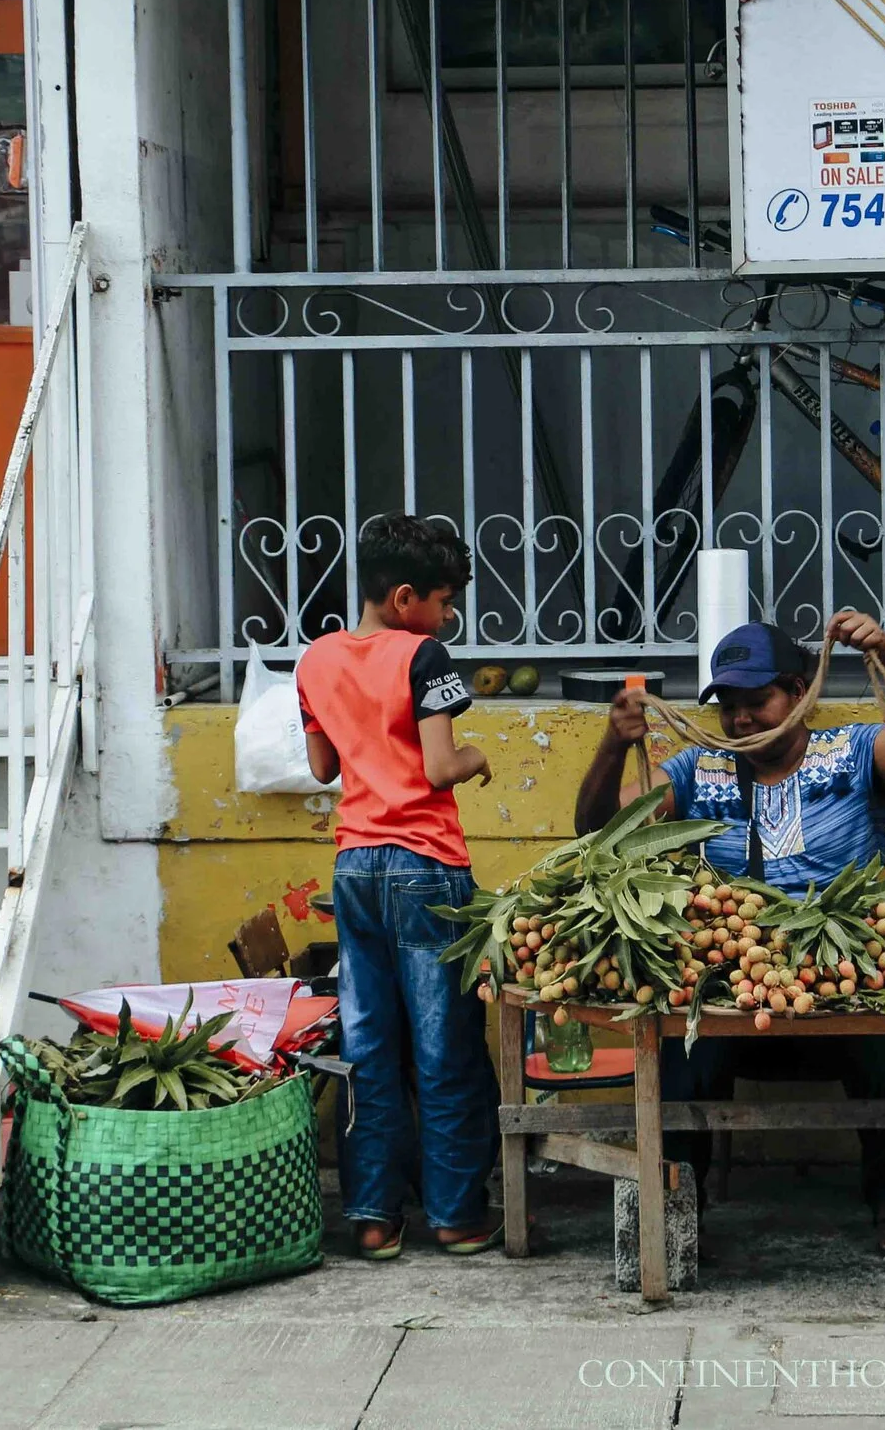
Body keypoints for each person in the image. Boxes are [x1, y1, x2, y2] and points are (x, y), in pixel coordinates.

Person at [572, 611, 885, 1254]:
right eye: (729, 707)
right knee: (680, 1045)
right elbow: (599, 829)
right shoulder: (694, 771)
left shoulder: (854, 754)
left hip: (844, 989)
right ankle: (680, 1199)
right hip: (736, 992)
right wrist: (613, 743)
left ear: (798, 691)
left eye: (757, 702)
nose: (742, 720)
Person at [297, 514, 501, 1260]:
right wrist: (476, 753)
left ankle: (375, 1216)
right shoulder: (426, 655)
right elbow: (440, 766)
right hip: (426, 868)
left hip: (354, 867)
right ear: (407, 595)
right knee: (445, 1043)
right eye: (444, 600)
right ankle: (456, 1215)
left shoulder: (314, 660)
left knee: (369, 1043)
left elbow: (322, 768)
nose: (449, 617)